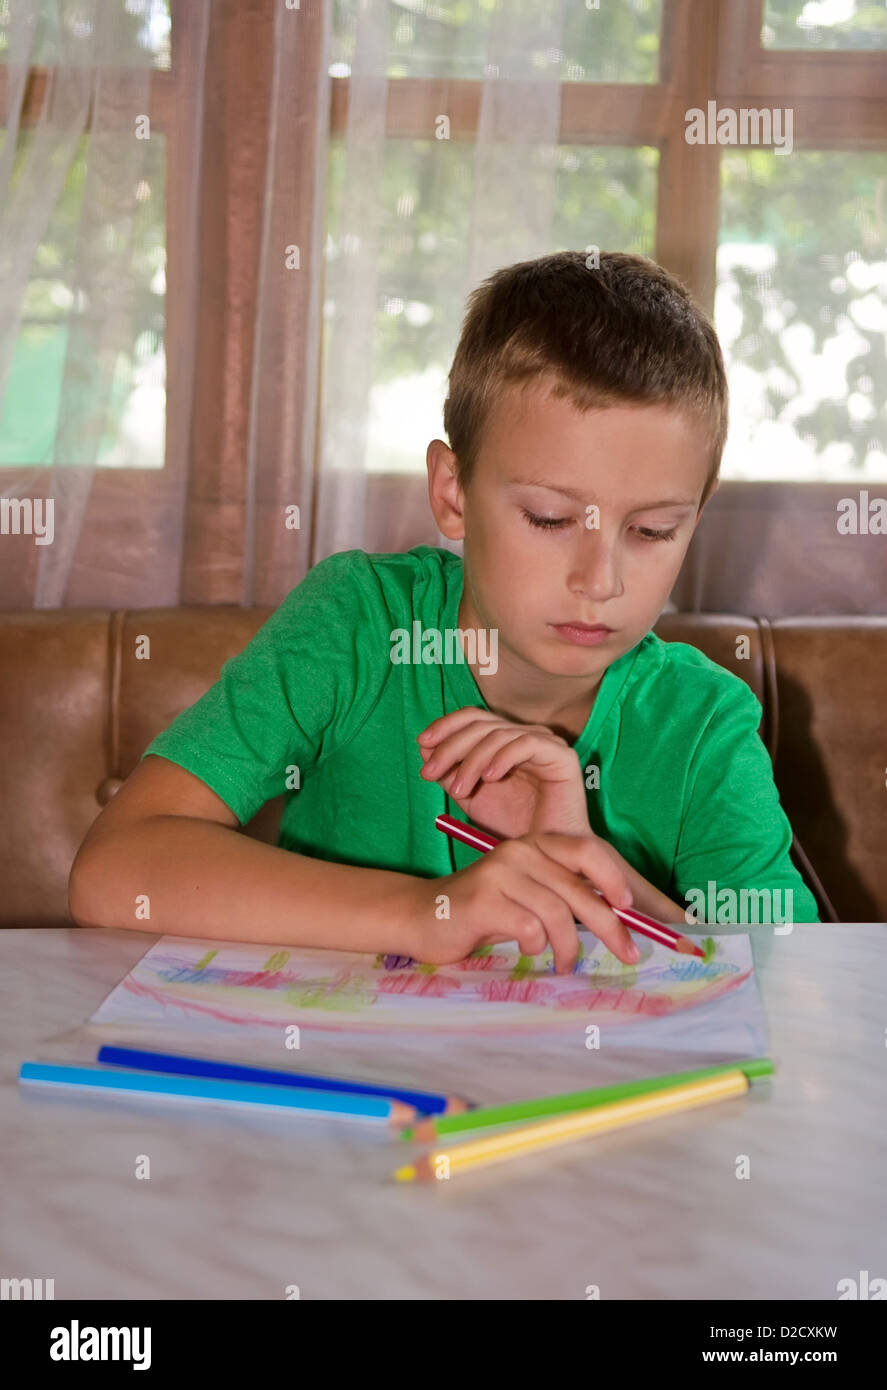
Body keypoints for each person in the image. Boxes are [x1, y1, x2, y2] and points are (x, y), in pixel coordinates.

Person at [69, 250, 820, 972]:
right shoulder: (360, 623)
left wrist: (593, 883)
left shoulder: (704, 721)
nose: (600, 580)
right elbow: (113, 871)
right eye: (552, 520)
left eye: (653, 530)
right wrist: (431, 911)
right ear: (452, 494)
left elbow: (797, 980)